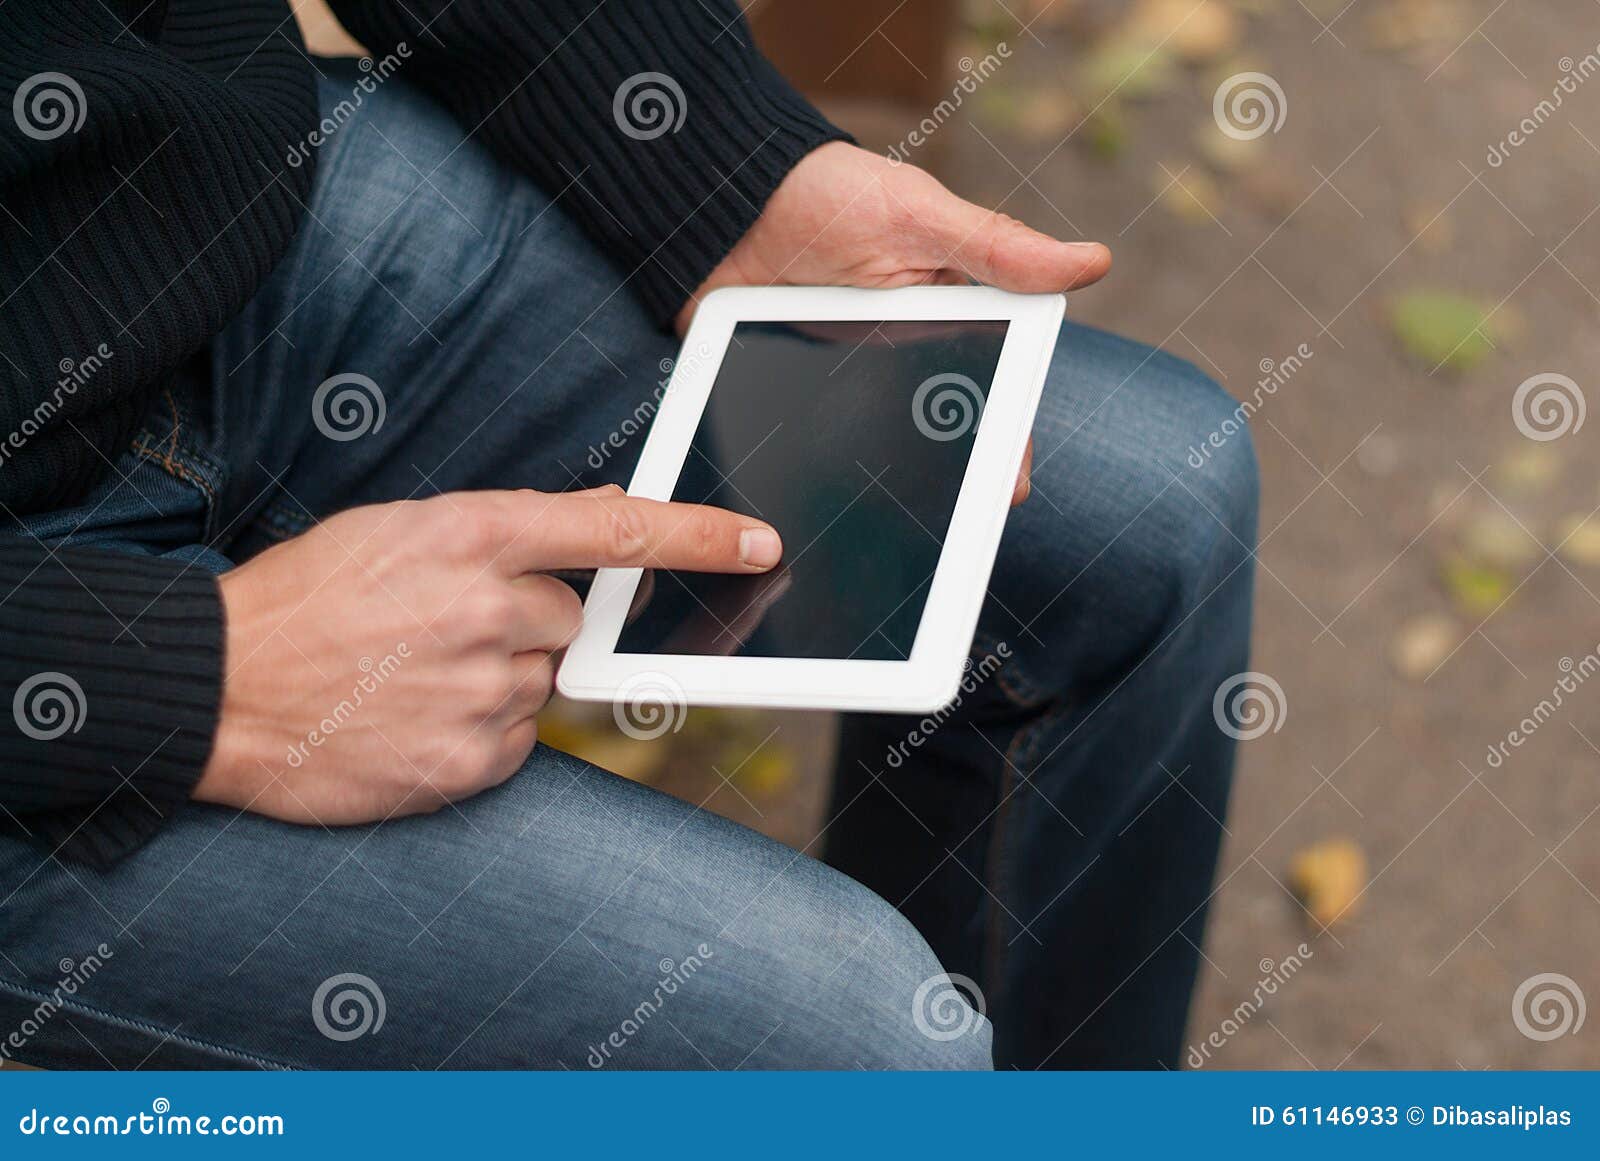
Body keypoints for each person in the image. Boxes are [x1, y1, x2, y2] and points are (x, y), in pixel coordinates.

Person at [0, 1, 1257, 1070]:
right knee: (863, 1045)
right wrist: (171, 674)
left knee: (1150, 506)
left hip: (190, 216)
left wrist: (721, 171)